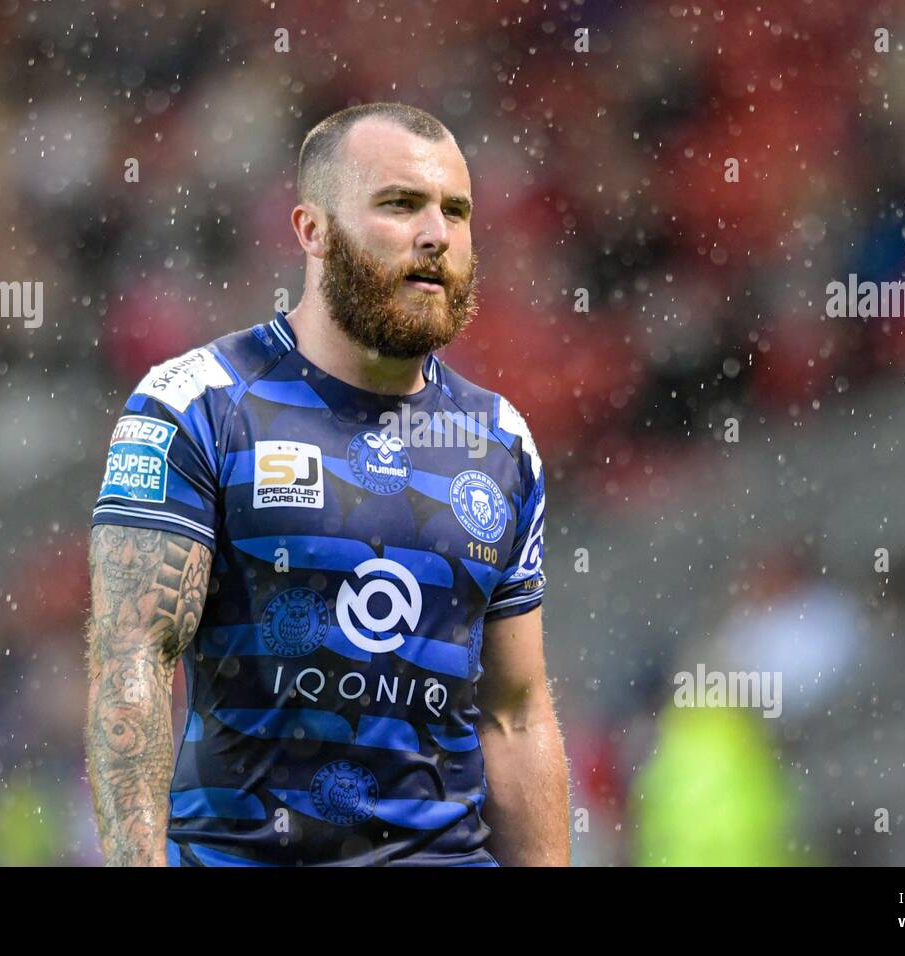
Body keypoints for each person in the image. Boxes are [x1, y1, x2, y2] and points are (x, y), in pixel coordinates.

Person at [84, 102, 570, 866]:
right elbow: (131, 664)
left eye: (456, 210)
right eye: (400, 204)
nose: (436, 234)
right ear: (312, 231)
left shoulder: (499, 441)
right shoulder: (197, 406)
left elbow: (514, 715)